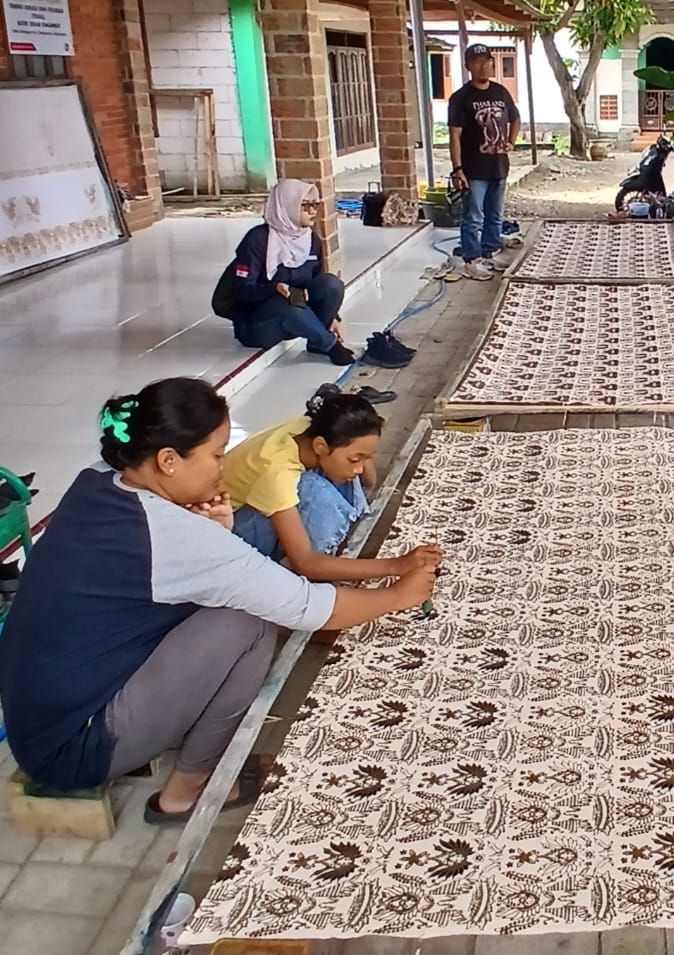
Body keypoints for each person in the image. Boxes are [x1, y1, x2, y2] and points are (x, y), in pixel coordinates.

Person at [0, 378, 437, 825]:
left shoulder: (99, 479)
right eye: (215, 454)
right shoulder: (169, 535)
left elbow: (159, 577)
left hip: (39, 715)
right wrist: (397, 596)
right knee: (250, 621)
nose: (221, 467)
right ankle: (185, 793)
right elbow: (306, 606)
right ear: (168, 461)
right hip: (71, 747)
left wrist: (213, 533)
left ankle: (179, 747)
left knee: (230, 605)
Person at [224, 384, 441, 580]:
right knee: (313, 486)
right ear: (320, 446)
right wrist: (396, 566)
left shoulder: (313, 428)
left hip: (269, 498)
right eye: (355, 459)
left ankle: (333, 544)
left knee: (336, 470)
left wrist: (361, 452)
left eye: (366, 457)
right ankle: (303, 564)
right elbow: (306, 564)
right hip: (234, 533)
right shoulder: (276, 473)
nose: (359, 468)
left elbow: (370, 481)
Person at [226, 180, 355, 365]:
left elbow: (317, 282)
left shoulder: (311, 240)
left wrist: (332, 316)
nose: (312, 211)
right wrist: (274, 288)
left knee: (332, 284)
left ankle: (317, 340)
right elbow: (241, 291)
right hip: (258, 324)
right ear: (286, 206)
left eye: (315, 204)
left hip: (296, 313)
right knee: (289, 308)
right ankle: (329, 344)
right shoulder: (258, 240)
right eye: (305, 205)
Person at [448, 43, 521, 282]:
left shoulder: (500, 92)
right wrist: (458, 169)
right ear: (468, 66)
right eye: (478, 62)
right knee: (473, 217)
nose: (484, 66)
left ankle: (490, 252)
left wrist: (511, 141)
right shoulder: (460, 98)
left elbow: (515, 118)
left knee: (495, 215)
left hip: (498, 166)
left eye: (487, 61)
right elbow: (455, 136)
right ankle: (472, 260)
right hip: (474, 169)